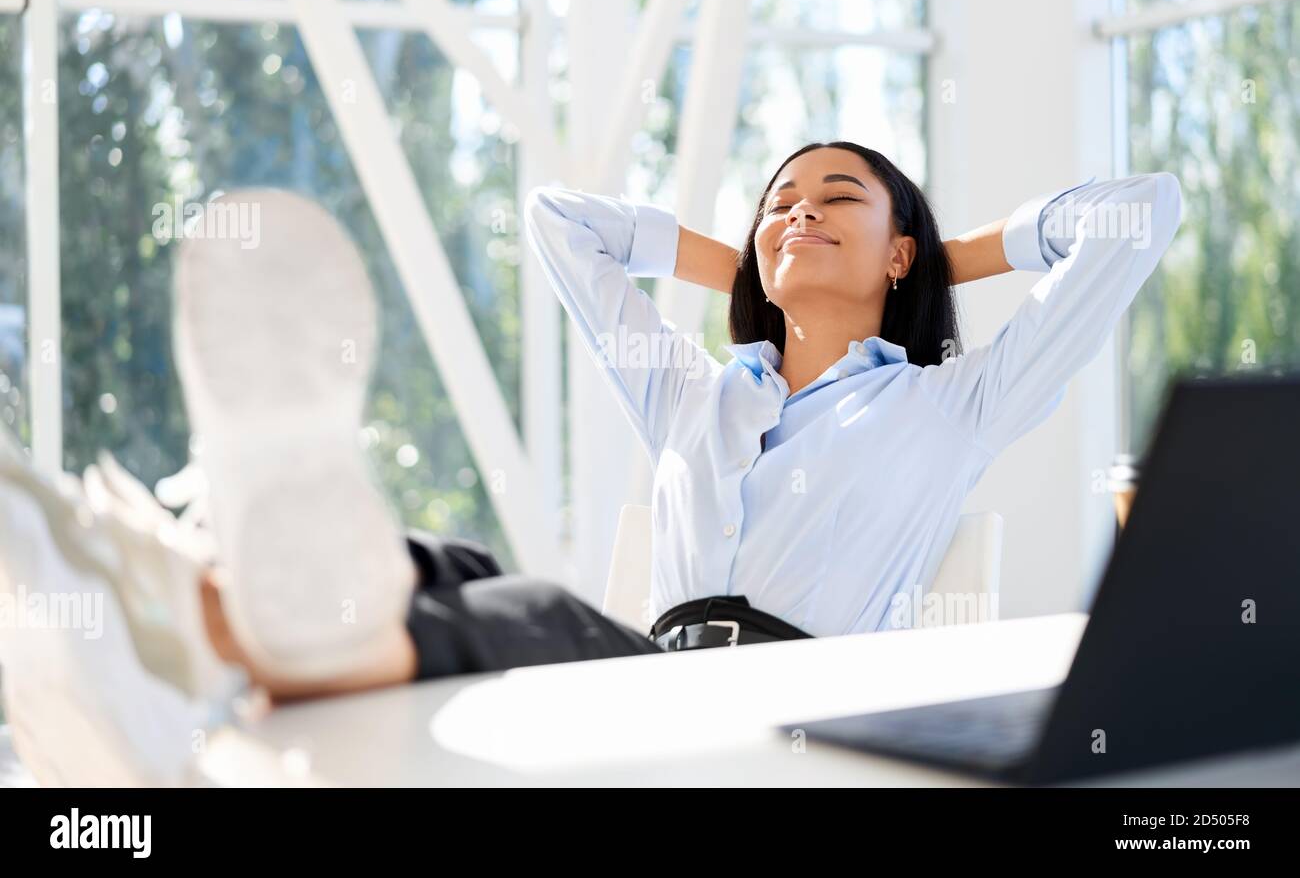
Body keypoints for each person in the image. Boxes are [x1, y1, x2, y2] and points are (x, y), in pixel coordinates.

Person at [0, 144, 1182, 785]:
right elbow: (559, 219)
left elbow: (1141, 209)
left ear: (903, 248)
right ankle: (187, 604)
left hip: (795, 720)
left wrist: (952, 258)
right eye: (778, 202)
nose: (797, 214)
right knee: (448, 565)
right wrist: (755, 260)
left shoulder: (953, 405)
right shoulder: (695, 396)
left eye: (838, 199)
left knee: (539, 612)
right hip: (655, 685)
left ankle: (214, 630)